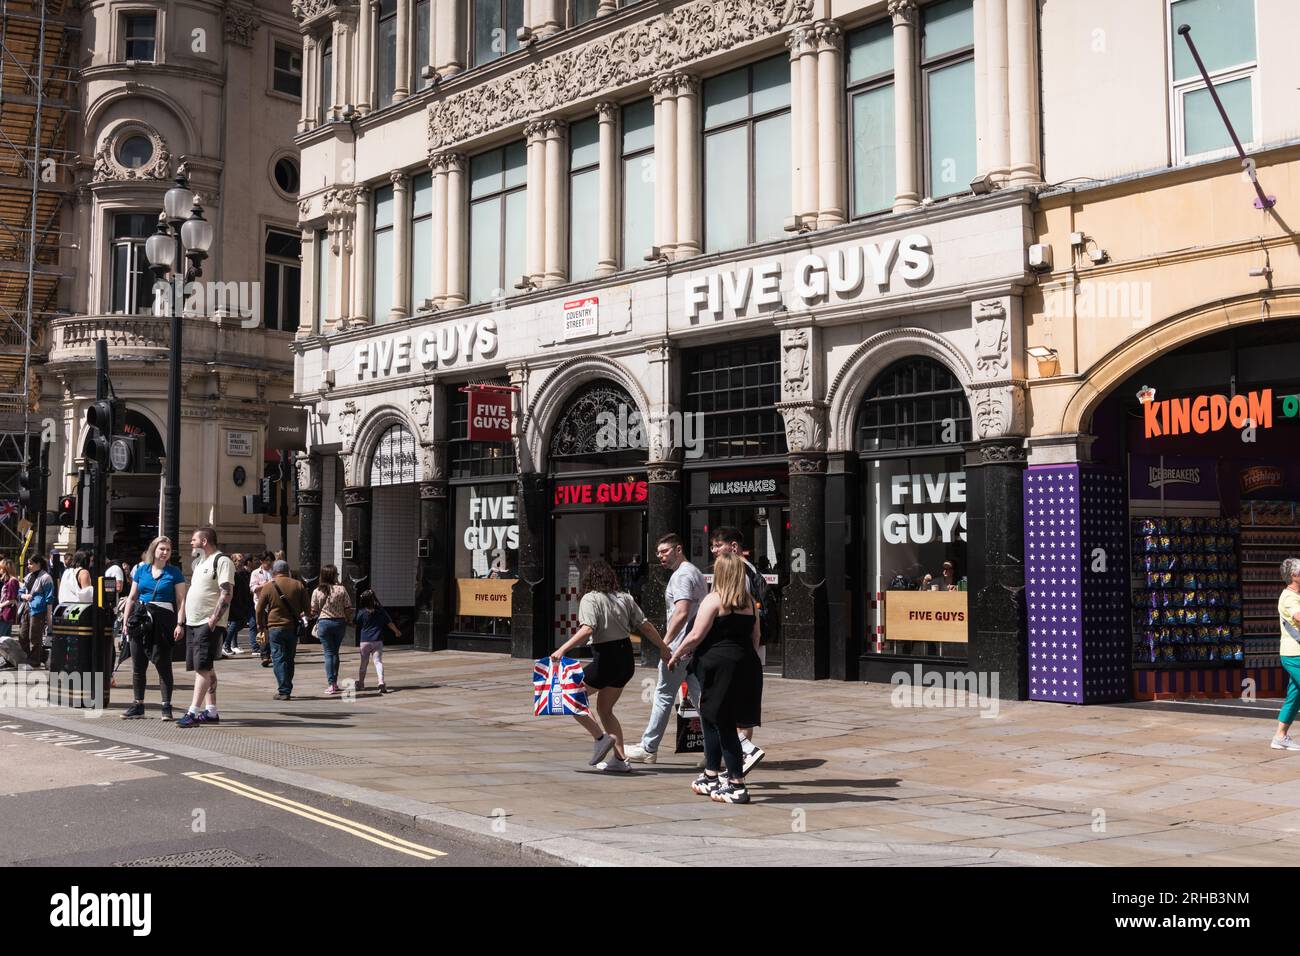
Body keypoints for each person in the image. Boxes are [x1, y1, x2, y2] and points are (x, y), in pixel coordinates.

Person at [551, 560, 670, 773]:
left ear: (589, 579)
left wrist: (562, 649)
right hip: (625, 660)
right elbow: (646, 626)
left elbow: (587, 629)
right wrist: (663, 647)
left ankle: (600, 738)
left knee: (570, 696)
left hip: (605, 658)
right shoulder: (625, 597)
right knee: (605, 710)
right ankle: (621, 759)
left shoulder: (591, 598)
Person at [668, 553, 763, 804]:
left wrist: (675, 654)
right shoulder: (750, 603)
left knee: (723, 722)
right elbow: (756, 637)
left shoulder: (714, 600)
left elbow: (695, 636)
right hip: (746, 665)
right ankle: (711, 775)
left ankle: (736, 784)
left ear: (719, 574)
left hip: (719, 667)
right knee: (710, 717)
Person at [624, 534, 709, 765]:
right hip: (693, 646)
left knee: (663, 694)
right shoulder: (694, 572)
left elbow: (682, 612)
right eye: (658, 553)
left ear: (678, 549)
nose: (659, 556)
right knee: (700, 698)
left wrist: (666, 643)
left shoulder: (682, 575)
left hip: (679, 648)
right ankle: (717, 749)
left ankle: (648, 748)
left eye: (664, 551)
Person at [709, 527, 767, 775]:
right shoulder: (750, 569)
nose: (714, 551)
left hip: (736, 648)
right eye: (712, 546)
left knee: (725, 706)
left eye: (717, 545)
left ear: (733, 547)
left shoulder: (736, 571)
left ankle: (742, 749)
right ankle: (740, 753)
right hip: (747, 648)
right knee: (741, 705)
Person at [120, 536, 187, 719]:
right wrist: (126, 622)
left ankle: (166, 706)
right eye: (162, 549)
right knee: (138, 665)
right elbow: (132, 597)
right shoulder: (142, 570)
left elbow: (181, 601)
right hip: (140, 618)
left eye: (168, 549)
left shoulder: (174, 573)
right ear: (154, 550)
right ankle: (138, 705)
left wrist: (180, 624)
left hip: (163, 620)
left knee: (163, 664)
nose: (165, 552)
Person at [176, 527, 235, 728]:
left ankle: (192, 711)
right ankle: (211, 712)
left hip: (207, 623)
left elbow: (226, 592)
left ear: (204, 541)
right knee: (206, 666)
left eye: (194, 540)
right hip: (194, 621)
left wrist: (214, 618)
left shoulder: (222, 561)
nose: (191, 542)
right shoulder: (201, 562)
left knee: (201, 667)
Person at [255, 560, 309, 700]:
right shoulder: (298, 585)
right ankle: (287, 687)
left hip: (274, 627)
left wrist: (260, 626)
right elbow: (307, 609)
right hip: (292, 627)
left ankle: (284, 690)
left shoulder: (268, 586)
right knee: (289, 658)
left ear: (274, 571)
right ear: (288, 570)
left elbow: (259, 609)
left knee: (278, 658)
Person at [310, 564, 354, 695]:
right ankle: (334, 682)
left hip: (324, 624)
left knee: (328, 653)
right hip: (339, 623)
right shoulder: (341, 589)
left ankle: (331, 684)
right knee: (335, 652)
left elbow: (313, 610)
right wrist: (349, 620)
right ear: (333, 575)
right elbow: (348, 608)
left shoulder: (317, 590)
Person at [1272, 558, 1300, 750]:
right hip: (1295, 654)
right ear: (1294, 575)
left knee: (1295, 696)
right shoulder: (1289, 598)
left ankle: (1280, 736)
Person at [354, 590, 397, 693]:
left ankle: (360, 683)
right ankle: (381, 682)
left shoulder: (361, 612)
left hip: (364, 641)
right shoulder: (380, 611)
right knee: (378, 662)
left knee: (363, 663)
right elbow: (389, 623)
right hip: (377, 640)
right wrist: (396, 631)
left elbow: (355, 623)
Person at [17, 555, 54, 668]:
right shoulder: (28, 577)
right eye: (28, 563)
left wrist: (49, 616)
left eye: (30, 563)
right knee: (22, 636)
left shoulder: (46, 578)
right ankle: (40, 656)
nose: (28, 566)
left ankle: (34, 661)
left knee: (35, 636)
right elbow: (20, 591)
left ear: (38, 564)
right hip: (27, 608)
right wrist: (24, 595)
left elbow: (49, 598)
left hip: (39, 610)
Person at [224, 552, 252, 656]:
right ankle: (226, 644)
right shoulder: (232, 572)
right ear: (234, 561)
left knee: (236, 623)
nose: (242, 562)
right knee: (236, 622)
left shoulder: (240, 572)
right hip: (234, 601)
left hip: (240, 601)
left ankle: (233, 645)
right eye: (239, 560)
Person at [250, 552, 274, 667]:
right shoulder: (255, 573)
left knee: (273, 629)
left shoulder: (275, 572)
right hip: (260, 605)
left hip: (273, 605)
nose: (269, 563)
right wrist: (266, 585)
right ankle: (264, 655)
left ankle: (273, 654)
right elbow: (253, 588)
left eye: (270, 560)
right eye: (267, 560)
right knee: (262, 630)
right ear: (262, 561)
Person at [0, 557, 18, 639]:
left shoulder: (12, 581)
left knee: (2, 638)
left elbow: (12, 599)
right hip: (4, 612)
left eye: (1, 567)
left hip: (7, 613)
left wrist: (0, 605)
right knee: (5, 638)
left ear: (5, 568)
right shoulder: (7, 581)